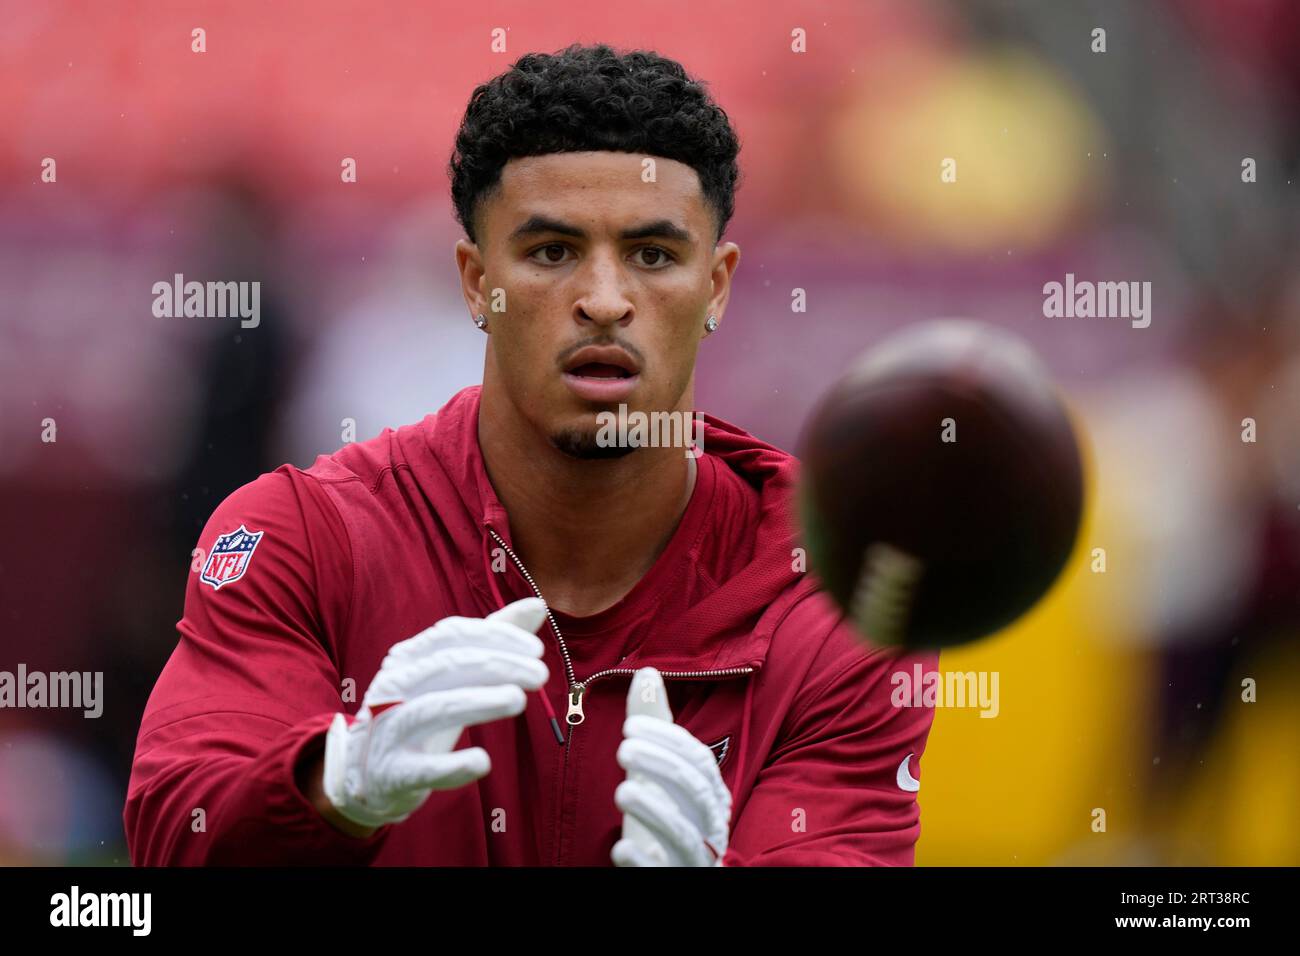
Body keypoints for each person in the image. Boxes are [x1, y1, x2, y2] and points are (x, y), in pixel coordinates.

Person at [124, 42, 937, 867]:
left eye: (654, 255)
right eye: (551, 252)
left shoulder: (834, 601)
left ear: (717, 286)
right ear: (477, 283)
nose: (605, 301)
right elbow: (170, 842)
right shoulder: (306, 538)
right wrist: (329, 790)